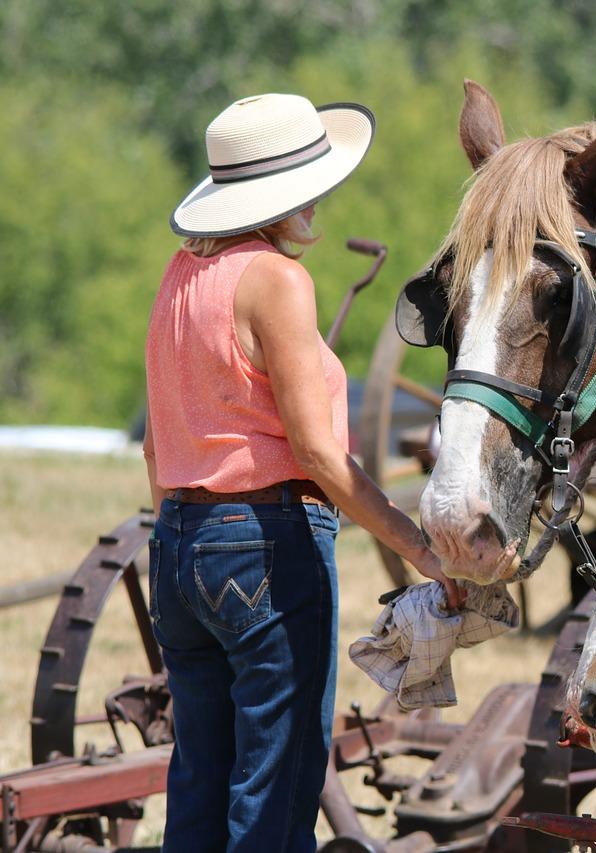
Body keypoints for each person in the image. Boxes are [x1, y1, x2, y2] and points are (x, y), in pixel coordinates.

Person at [143, 93, 459, 852]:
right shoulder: (277, 282)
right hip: (265, 543)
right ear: (285, 196)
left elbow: (158, 447)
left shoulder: (180, 276)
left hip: (179, 542)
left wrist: (185, 531)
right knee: (275, 791)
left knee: (200, 781)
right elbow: (317, 454)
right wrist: (421, 548)